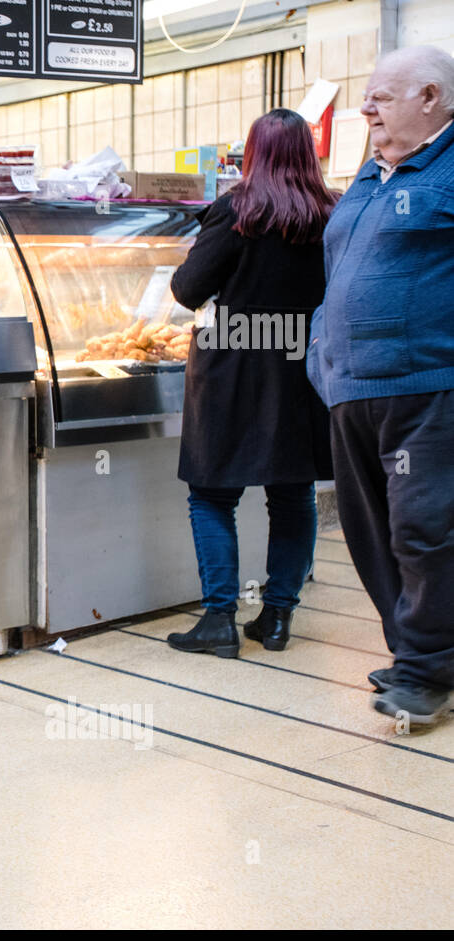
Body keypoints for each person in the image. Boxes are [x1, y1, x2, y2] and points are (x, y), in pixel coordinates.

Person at [307, 45, 454, 728]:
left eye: (381, 96)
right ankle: (416, 653)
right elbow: (338, 277)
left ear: (431, 97)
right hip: (350, 390)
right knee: (369, 537)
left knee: (425, 531)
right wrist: (319, 356)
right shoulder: (368, 176)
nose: (365, 108)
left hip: (429, 386)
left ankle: (425, 670)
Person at [166, 109, 337, 658]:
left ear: (253, 152)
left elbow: (188, 289)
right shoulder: (332, 212)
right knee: (294, 494)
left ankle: (219, 619)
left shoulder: (237, 209)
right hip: (302, 366)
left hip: (232, 368)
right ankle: (278, 617)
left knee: (213, 494)